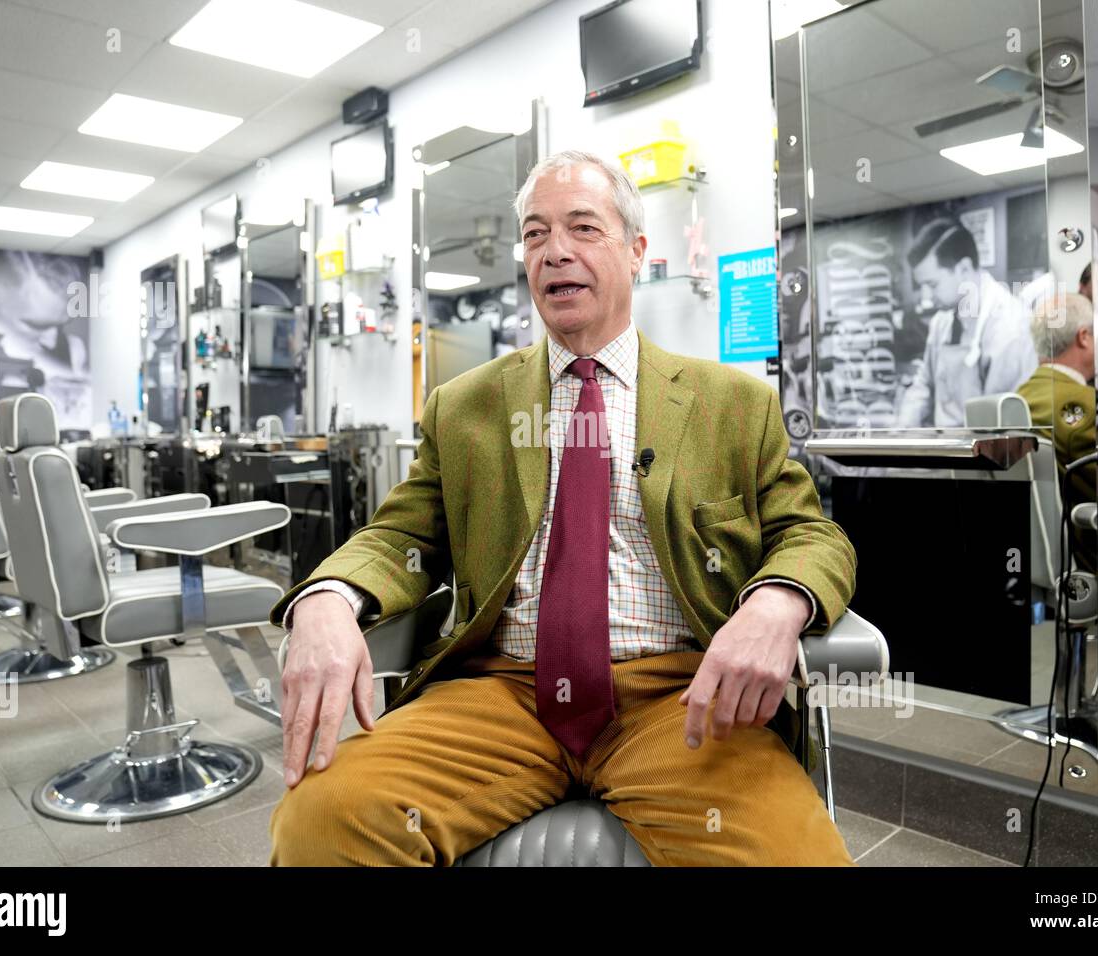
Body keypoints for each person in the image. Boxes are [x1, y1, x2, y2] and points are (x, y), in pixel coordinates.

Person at [267, 149, 858, 866]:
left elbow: (811, 535)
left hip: (679, 697)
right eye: (536, 233)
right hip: (504, 694)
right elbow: (400, 536)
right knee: (321, 822)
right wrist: (327, 600)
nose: (555, 252)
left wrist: (774, 604)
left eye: (583, 228)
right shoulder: (466, 408)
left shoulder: (730, 404)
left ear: (637, 251)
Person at [896, 219, 1038, 428]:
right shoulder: (942, 320)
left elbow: (1000, 422)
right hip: (949, 448)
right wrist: (900, 433)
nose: (926, 296)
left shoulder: (1010, 326)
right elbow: (924, 384)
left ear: (963, 268)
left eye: (932, 284)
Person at [1017, 292, 1098, 572]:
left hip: (1032, 566)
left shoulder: (1018, 399)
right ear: (1084, 337)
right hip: (1092, 569)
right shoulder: (1089, 407)